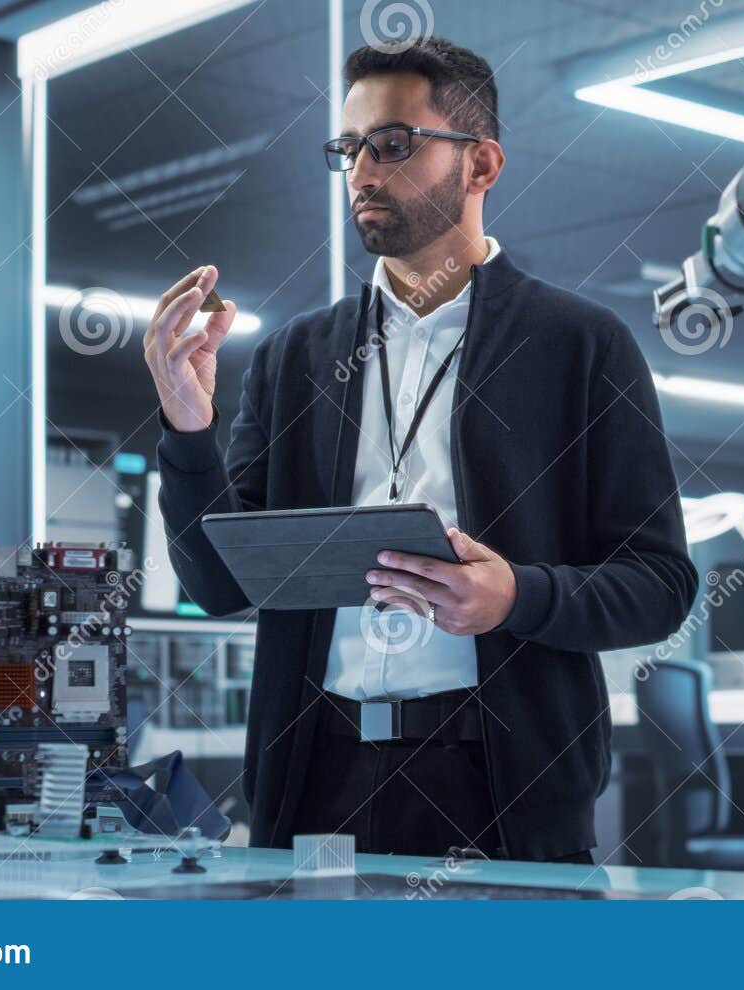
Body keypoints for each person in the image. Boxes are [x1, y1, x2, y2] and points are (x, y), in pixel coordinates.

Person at [144, 36, 696, 863]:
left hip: (501, 783)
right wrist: (189, 432)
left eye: (393, 145)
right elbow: (221, 584)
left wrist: (521, 597)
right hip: (316, 778)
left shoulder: (580, 346)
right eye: (350, 149)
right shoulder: (297, 357)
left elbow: (659, 585)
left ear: (481, 166)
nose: (363, 173)